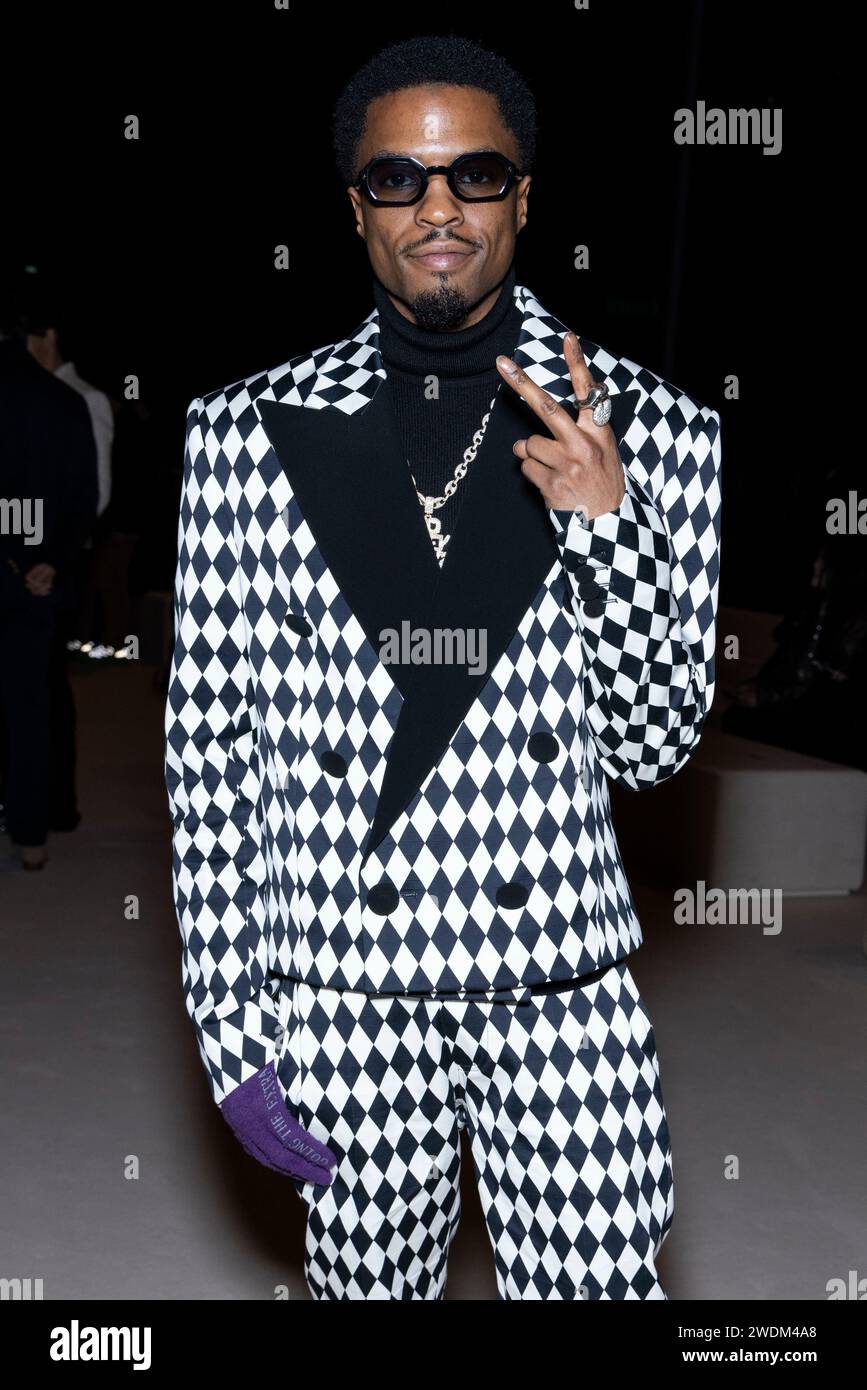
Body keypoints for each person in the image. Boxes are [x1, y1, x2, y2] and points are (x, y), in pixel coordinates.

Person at [164, 34, 722, 1300]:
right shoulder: (243, 435)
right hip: (346, 991)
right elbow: (212, 761)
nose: (437, 211)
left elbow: (653, 743)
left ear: (525, 195)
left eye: (474, 175)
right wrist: (233, 1027)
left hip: (557, 990)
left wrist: (604, 530)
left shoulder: (657, 429)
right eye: (397, 180)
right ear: (352, 205)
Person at [0, 276, 98, 868]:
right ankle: (31, 838)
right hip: (35, 580)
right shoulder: (64, 402)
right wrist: (48, 563)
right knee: (30, 707)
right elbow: (83, 498)